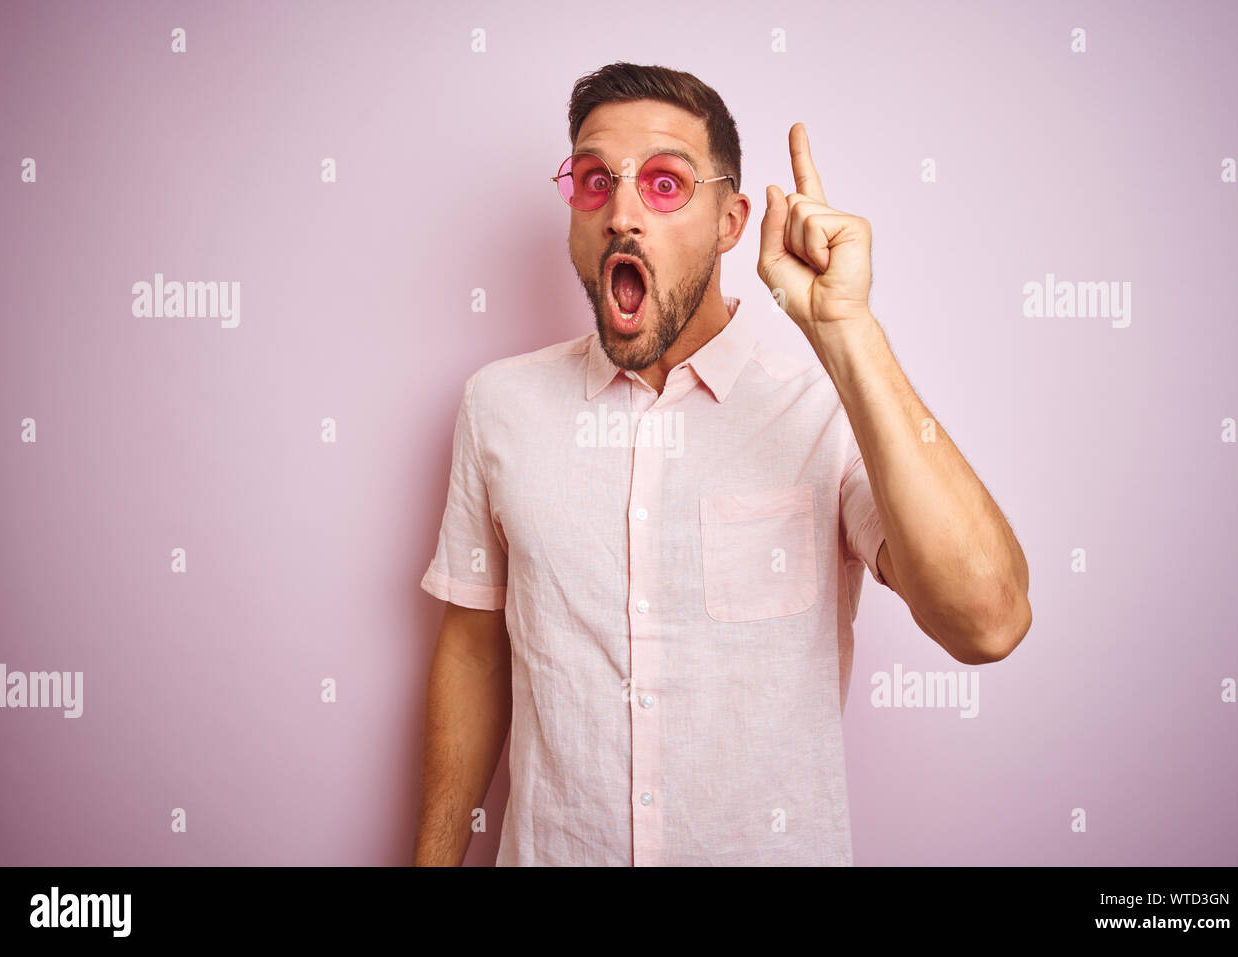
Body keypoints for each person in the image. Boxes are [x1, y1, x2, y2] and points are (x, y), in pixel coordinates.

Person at [415, 62, 1031, 866]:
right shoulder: (498, 406)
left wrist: (848, 330)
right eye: (596, 180)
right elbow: (472, 649)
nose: (621, 213)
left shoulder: (827, 409)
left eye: (666, 184)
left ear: (730, 221)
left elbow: (989, 620)